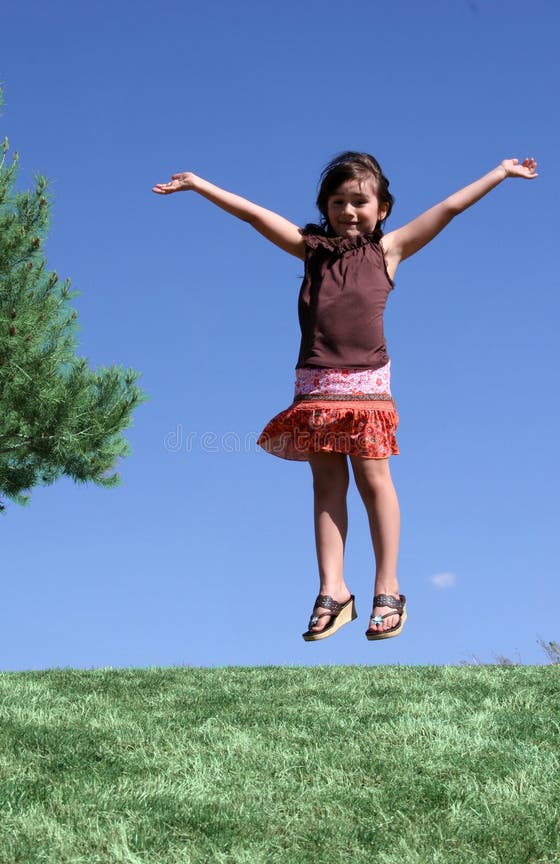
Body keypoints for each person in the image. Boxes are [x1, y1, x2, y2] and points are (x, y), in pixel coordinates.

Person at [153, 153, 538, 643]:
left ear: (382, 209)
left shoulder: (389, 251)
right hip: (314, 387)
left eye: (360, 201)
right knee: (326, 487)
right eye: (339, 201)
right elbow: (253, 214)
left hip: (367, 388)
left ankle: (388, 589)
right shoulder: (309, 250)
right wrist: (198, 184)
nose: (349, 210)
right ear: (325, 207)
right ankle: (333, 591)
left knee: (374, 481)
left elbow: (449, 209)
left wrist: (500, 173)